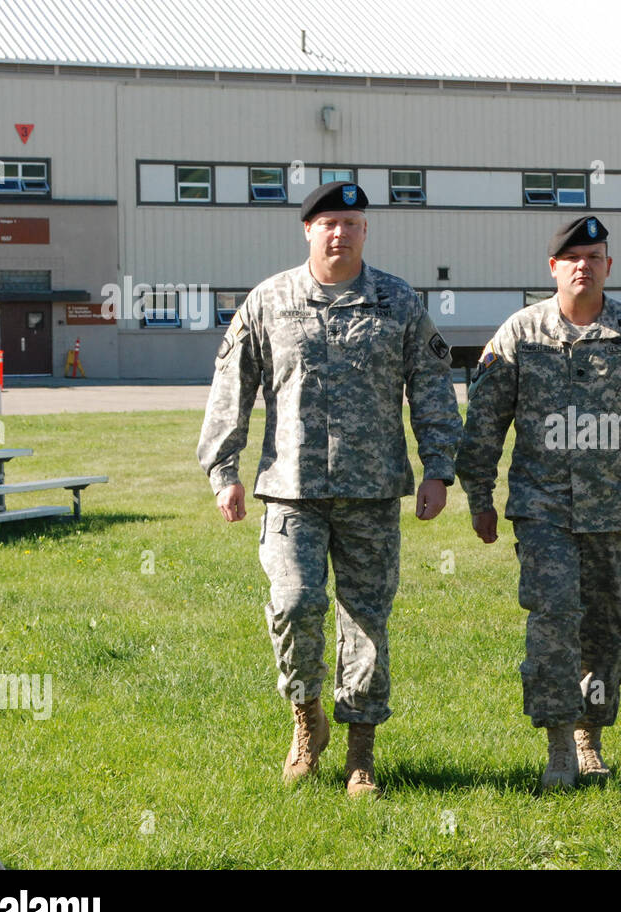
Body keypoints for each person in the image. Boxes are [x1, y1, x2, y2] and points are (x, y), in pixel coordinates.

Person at [197, 181, 461, 797]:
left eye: (351, 222)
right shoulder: (269, 301)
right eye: (327, 223)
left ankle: (360, 753)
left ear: (365, 231)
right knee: (293, 604)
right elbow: (230, 385)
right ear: (307, 231)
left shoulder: (396, 301)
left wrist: (439, 468)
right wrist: (223, 471)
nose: (338, 233)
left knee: (366, 620)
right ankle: (305, 719)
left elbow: (430, 387)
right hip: (291, 490)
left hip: (372, 493)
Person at [455, 216, 621, 790]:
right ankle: (559, 742)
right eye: (572, 258)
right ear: (553, 268)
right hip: (542, 509)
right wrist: (479, 495)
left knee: (606, 625)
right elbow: (486, 422)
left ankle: (591, 732)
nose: (583, 266)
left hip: (616, 510)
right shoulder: (520, 334)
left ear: (608, 266)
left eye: (594, 257)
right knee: (553, 620)